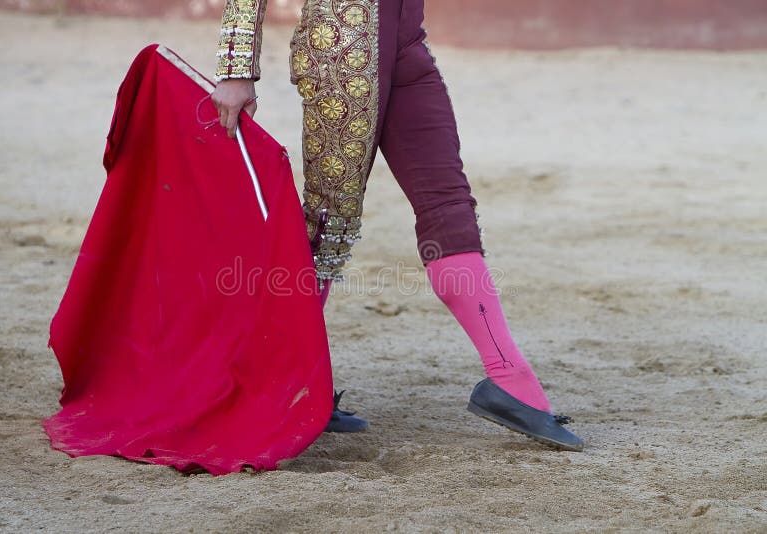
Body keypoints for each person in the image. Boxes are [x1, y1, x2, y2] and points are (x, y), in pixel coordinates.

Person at [211, 0, 584, 451]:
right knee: (330, 221)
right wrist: (236, 66)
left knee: (448, 204)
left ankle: (509, 379)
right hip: (342, 45)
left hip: (406, 37)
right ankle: (280, 377)